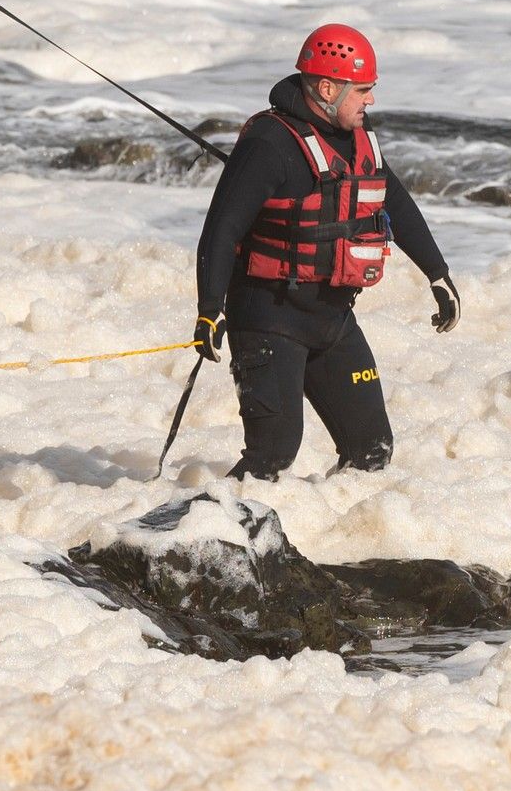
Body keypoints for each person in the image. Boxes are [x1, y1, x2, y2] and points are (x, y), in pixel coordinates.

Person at [192, 24, 460, 480]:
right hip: (269, 320)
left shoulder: (358, 135)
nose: (370, 100)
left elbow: (391, 198)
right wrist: (209, 309)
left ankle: (339, 545)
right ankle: (199, 537)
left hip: (331, 320)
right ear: (327, 87)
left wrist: (438, 274)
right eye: (363, 90)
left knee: (372, 453)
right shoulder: (268, 143)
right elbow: (222, 229)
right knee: (271, 458)